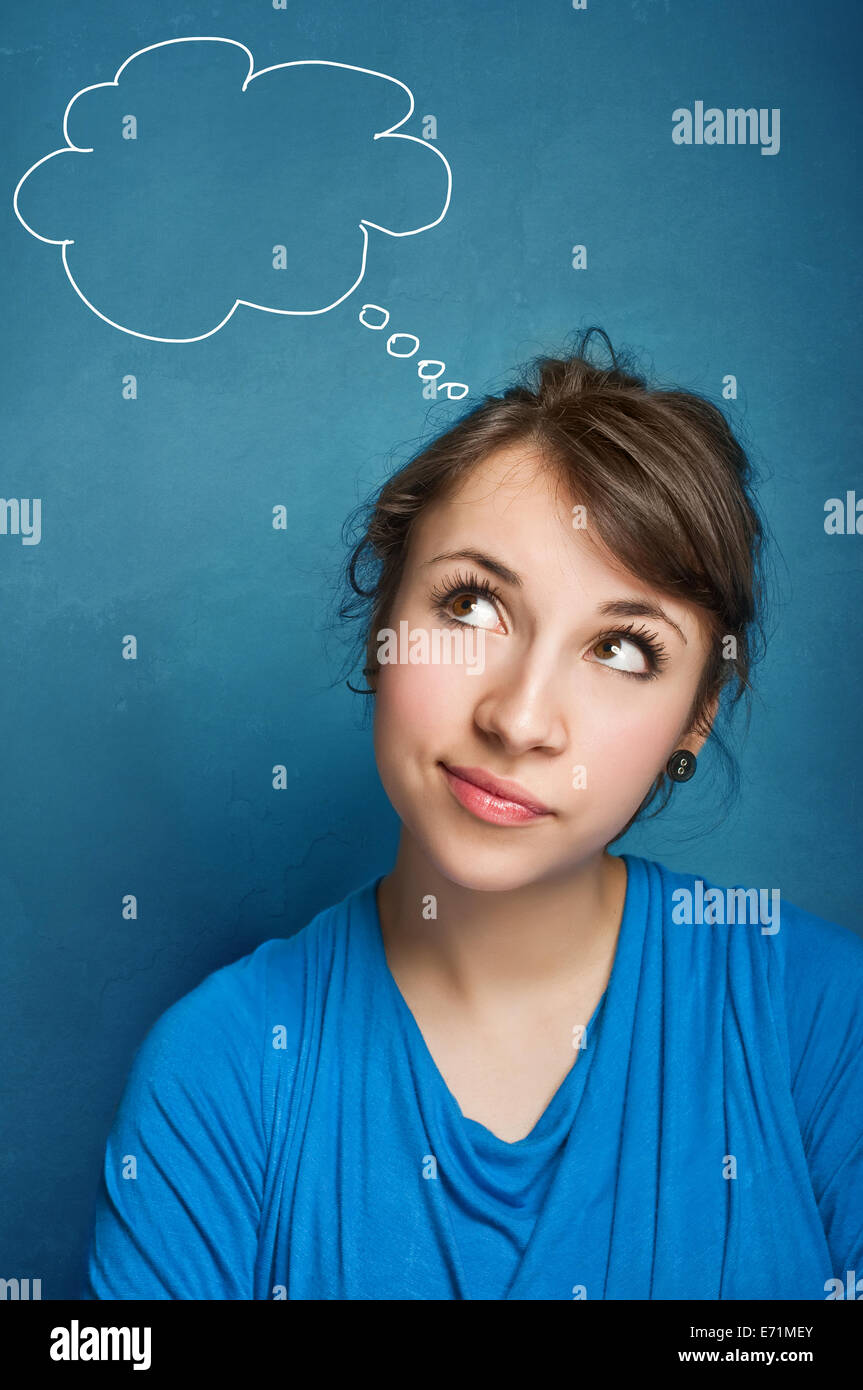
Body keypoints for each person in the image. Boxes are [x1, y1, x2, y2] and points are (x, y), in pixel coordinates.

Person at [82, 327, 863, 1300]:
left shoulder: (825, 1024)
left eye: (621, 649)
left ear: (695, 718)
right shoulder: (220, 1070)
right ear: (382, 629)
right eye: (472, 606)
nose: (519, 718)